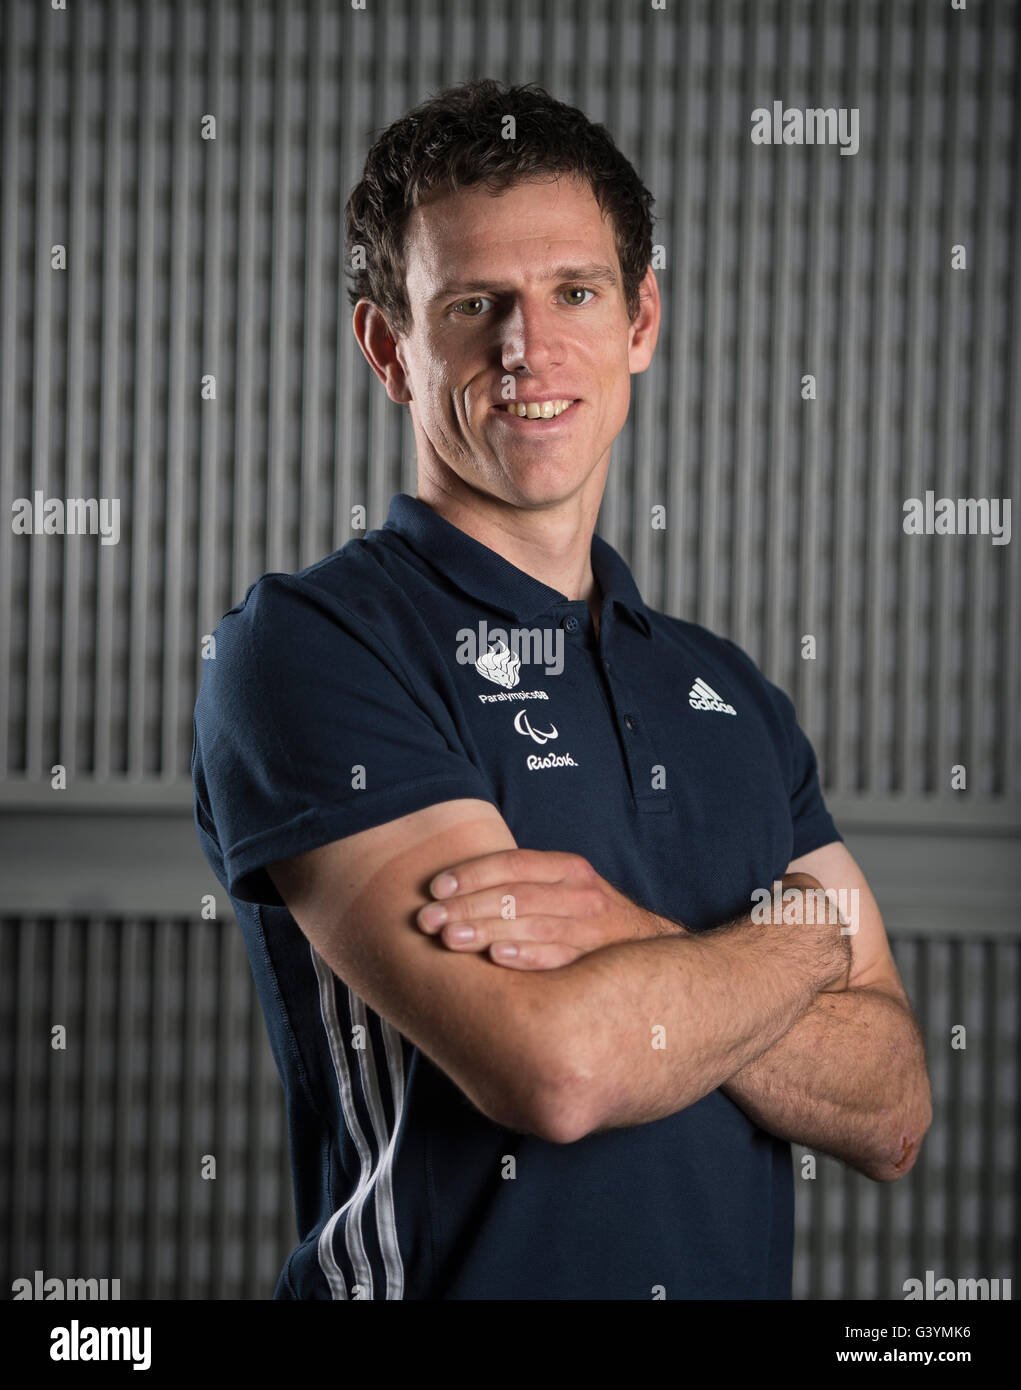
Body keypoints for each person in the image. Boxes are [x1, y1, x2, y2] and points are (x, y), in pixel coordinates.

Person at [191, 78, 932, 1300]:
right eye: (474, 304)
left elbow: (892, 1107)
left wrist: (640, 943)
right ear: (390, 347)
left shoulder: (730, 693)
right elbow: (561, 1068)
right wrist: (808, 941)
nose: (527, 349)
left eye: (573, 293)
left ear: (642, 318)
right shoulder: (311, 647)